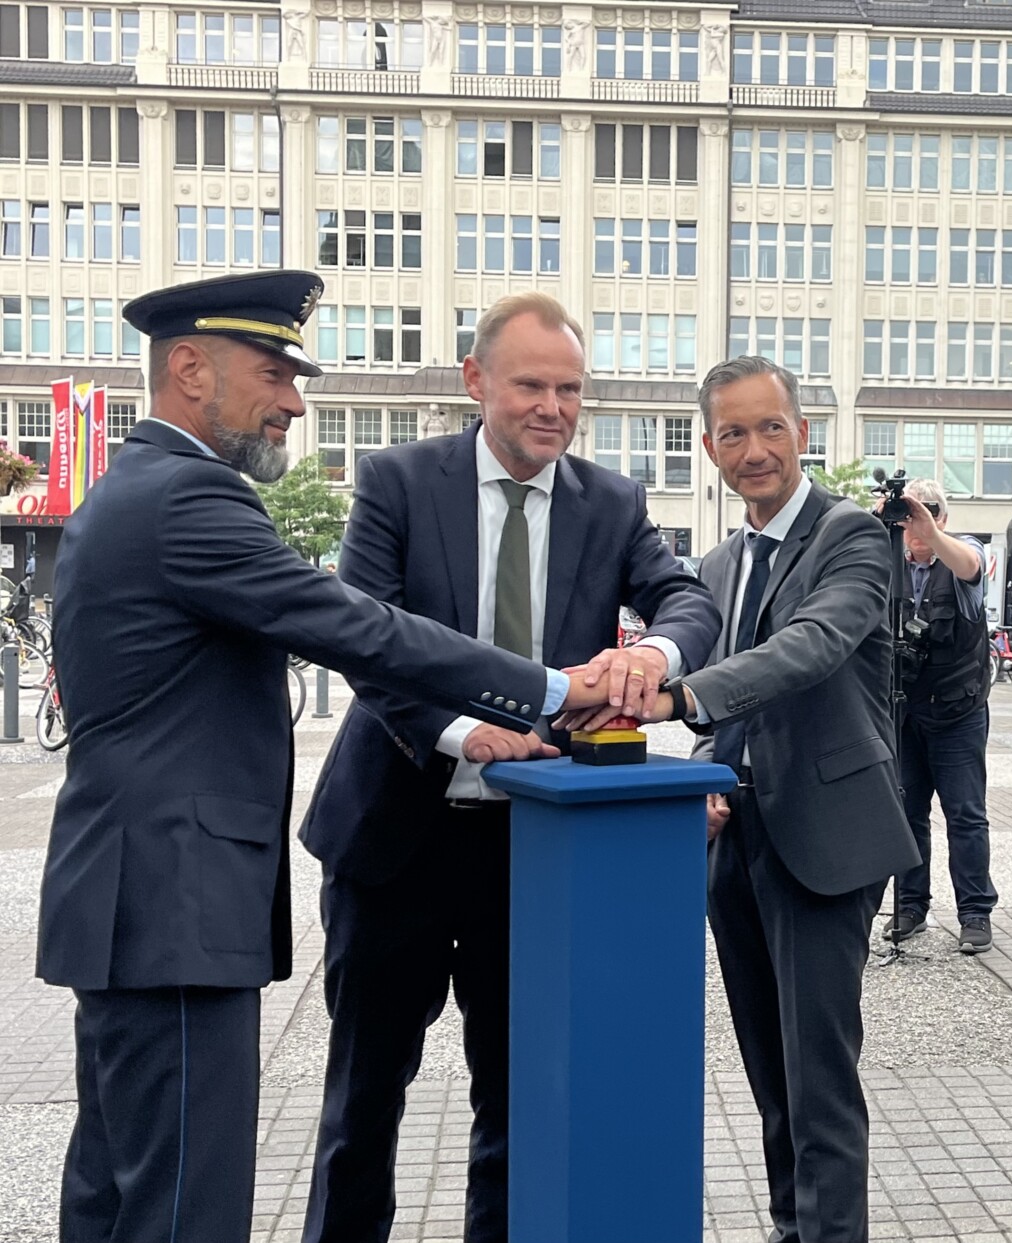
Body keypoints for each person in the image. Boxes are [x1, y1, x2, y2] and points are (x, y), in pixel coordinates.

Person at [35, 271, 610, 1243]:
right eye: (274, 374)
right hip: (174, 906)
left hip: (134, 901)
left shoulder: (133, 487)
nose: (295, 402)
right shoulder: (190, 500)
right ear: (188, 368)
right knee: (182, 1209)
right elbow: (361, 627)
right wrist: (554, 688)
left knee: (115, 1191)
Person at [299, 292, 720, 1243]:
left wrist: (654, 656)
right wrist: (458, 728)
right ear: (476, 380)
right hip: (394, 835)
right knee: (363, 1101)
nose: (553, 408)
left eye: (571, 390)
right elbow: (363, 639)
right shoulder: (399, 480)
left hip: (532, 848)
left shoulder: (611, 502)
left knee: (521, 1096)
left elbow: (685, 598)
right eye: (531, 384)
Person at [642, 356, 918, 1243]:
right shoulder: (718, 564)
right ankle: (792, 1226)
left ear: (804, 432)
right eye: (733, 433)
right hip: (738, 835)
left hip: (827, 832)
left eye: (770, 428)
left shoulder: (853, 537)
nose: (754, 449)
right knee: (768, 1065)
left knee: (819, 1073)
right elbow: (734, 700)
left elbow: (810, 646)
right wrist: (708, 764)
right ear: (709, 446)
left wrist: (685, 697)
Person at [885, 477, 998, 954]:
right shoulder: (888, 562)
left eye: (926, 513)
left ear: (942, 518)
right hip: (905, 713)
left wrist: (931, 532)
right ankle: (910, 907)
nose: (914, 525)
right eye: (907, 516)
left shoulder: (961, 553)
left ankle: (975, 913)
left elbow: (970, 563)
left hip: (958, 712)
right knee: (907, 815)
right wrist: (877, 525)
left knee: (965, 817)